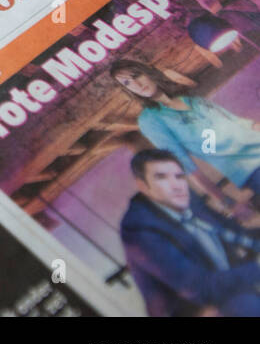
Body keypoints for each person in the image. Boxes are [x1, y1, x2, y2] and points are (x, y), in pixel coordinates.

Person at [120, 149, 260, 316]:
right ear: (143, 186)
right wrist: (256, 268)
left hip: (230, 281)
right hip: (198, 308)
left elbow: (230, 231)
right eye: (161, 177)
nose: (176, 185)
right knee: (246, 305)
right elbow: (199, 289)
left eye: (179, 176)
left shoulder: (187, 198)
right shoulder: (139, 231)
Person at [111, 58, 260, 209]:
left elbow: (241, 124)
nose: (137, 85)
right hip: (251, 170)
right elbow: (185, 165)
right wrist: (228, 202)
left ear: (147, 71)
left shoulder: (192, 100)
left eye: (136, 75)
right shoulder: (150, 120)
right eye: (127, 83)